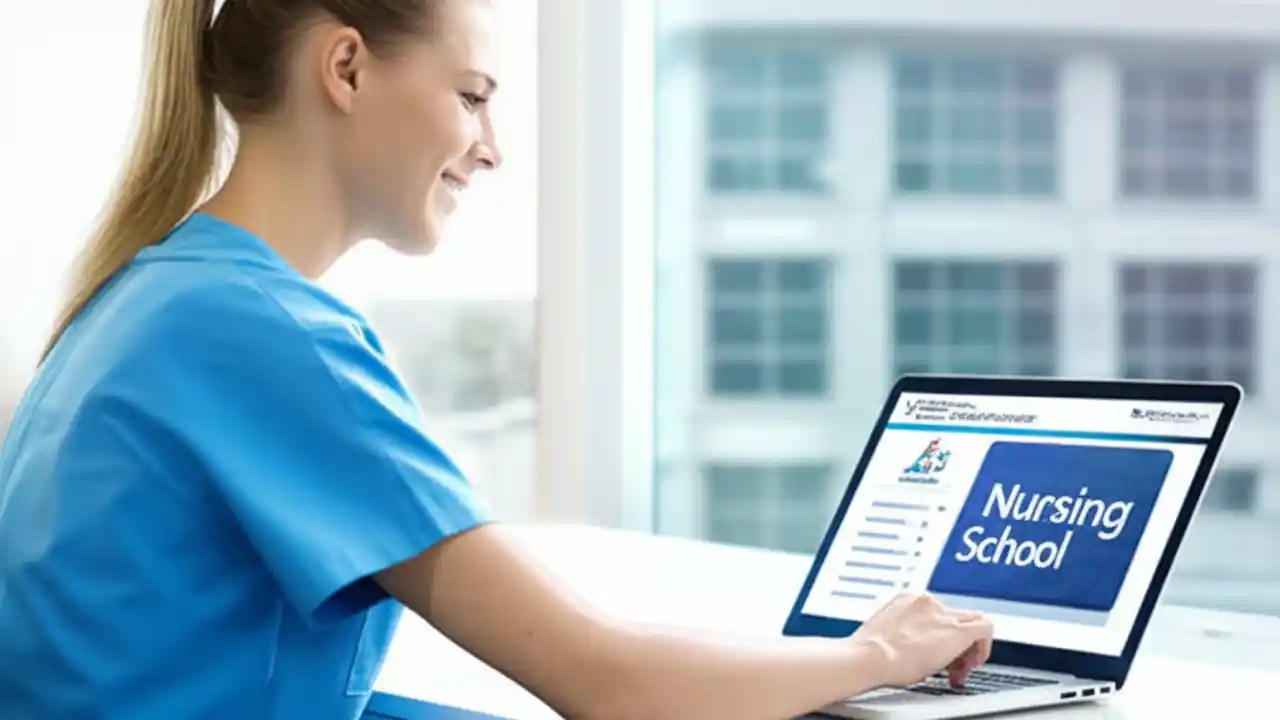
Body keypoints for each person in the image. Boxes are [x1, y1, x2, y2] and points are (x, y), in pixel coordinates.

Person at [0, 1, 994, 718]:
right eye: (471, 97)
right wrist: (874, 652)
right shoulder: (260, 333)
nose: (492, 147)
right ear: (343, 69)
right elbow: (611, 687)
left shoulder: (148, 295)